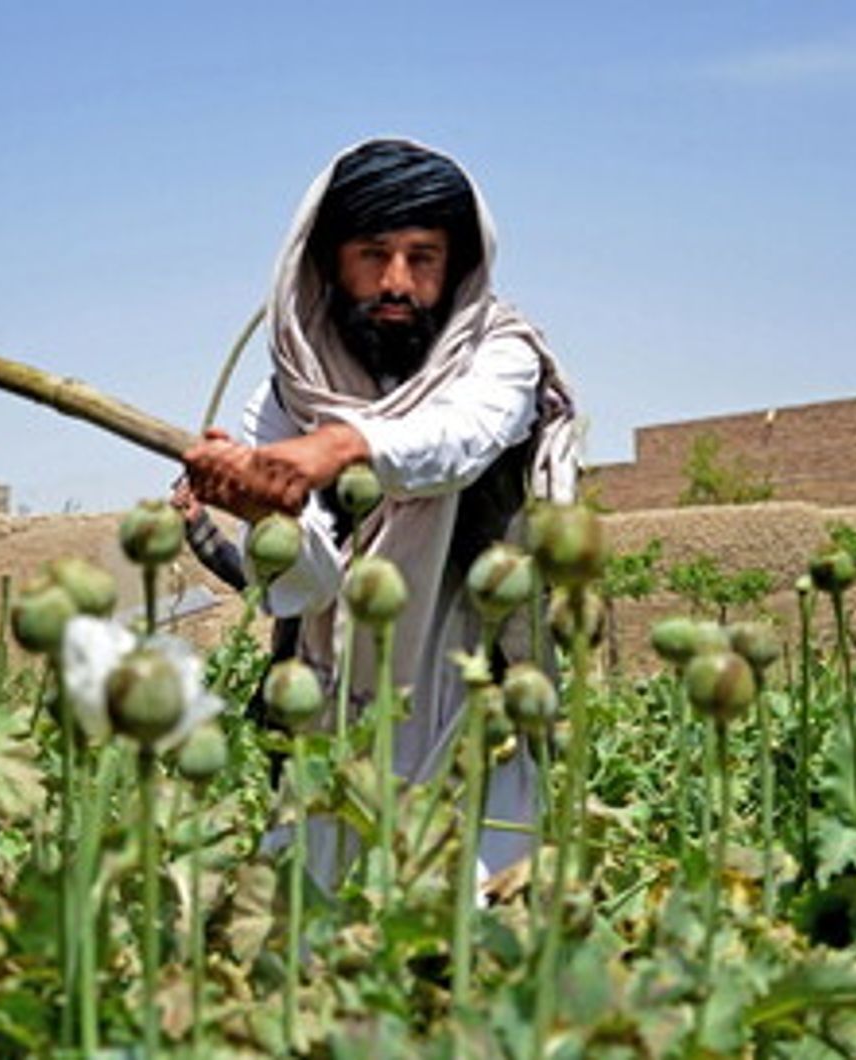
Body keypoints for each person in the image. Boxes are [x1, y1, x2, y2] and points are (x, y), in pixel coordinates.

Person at [184, 138, 578, 884]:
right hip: (333, 707)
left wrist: (340, 446)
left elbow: (455, 443)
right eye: (373, 254)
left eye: (422, 256)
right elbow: (307, 581)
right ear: (329, 260)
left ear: (456, 264)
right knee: (312, 940)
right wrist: (266, 522)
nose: (397, 282)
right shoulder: (283, 396)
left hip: (472, 695)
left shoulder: (500, 356)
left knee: (476, 943)